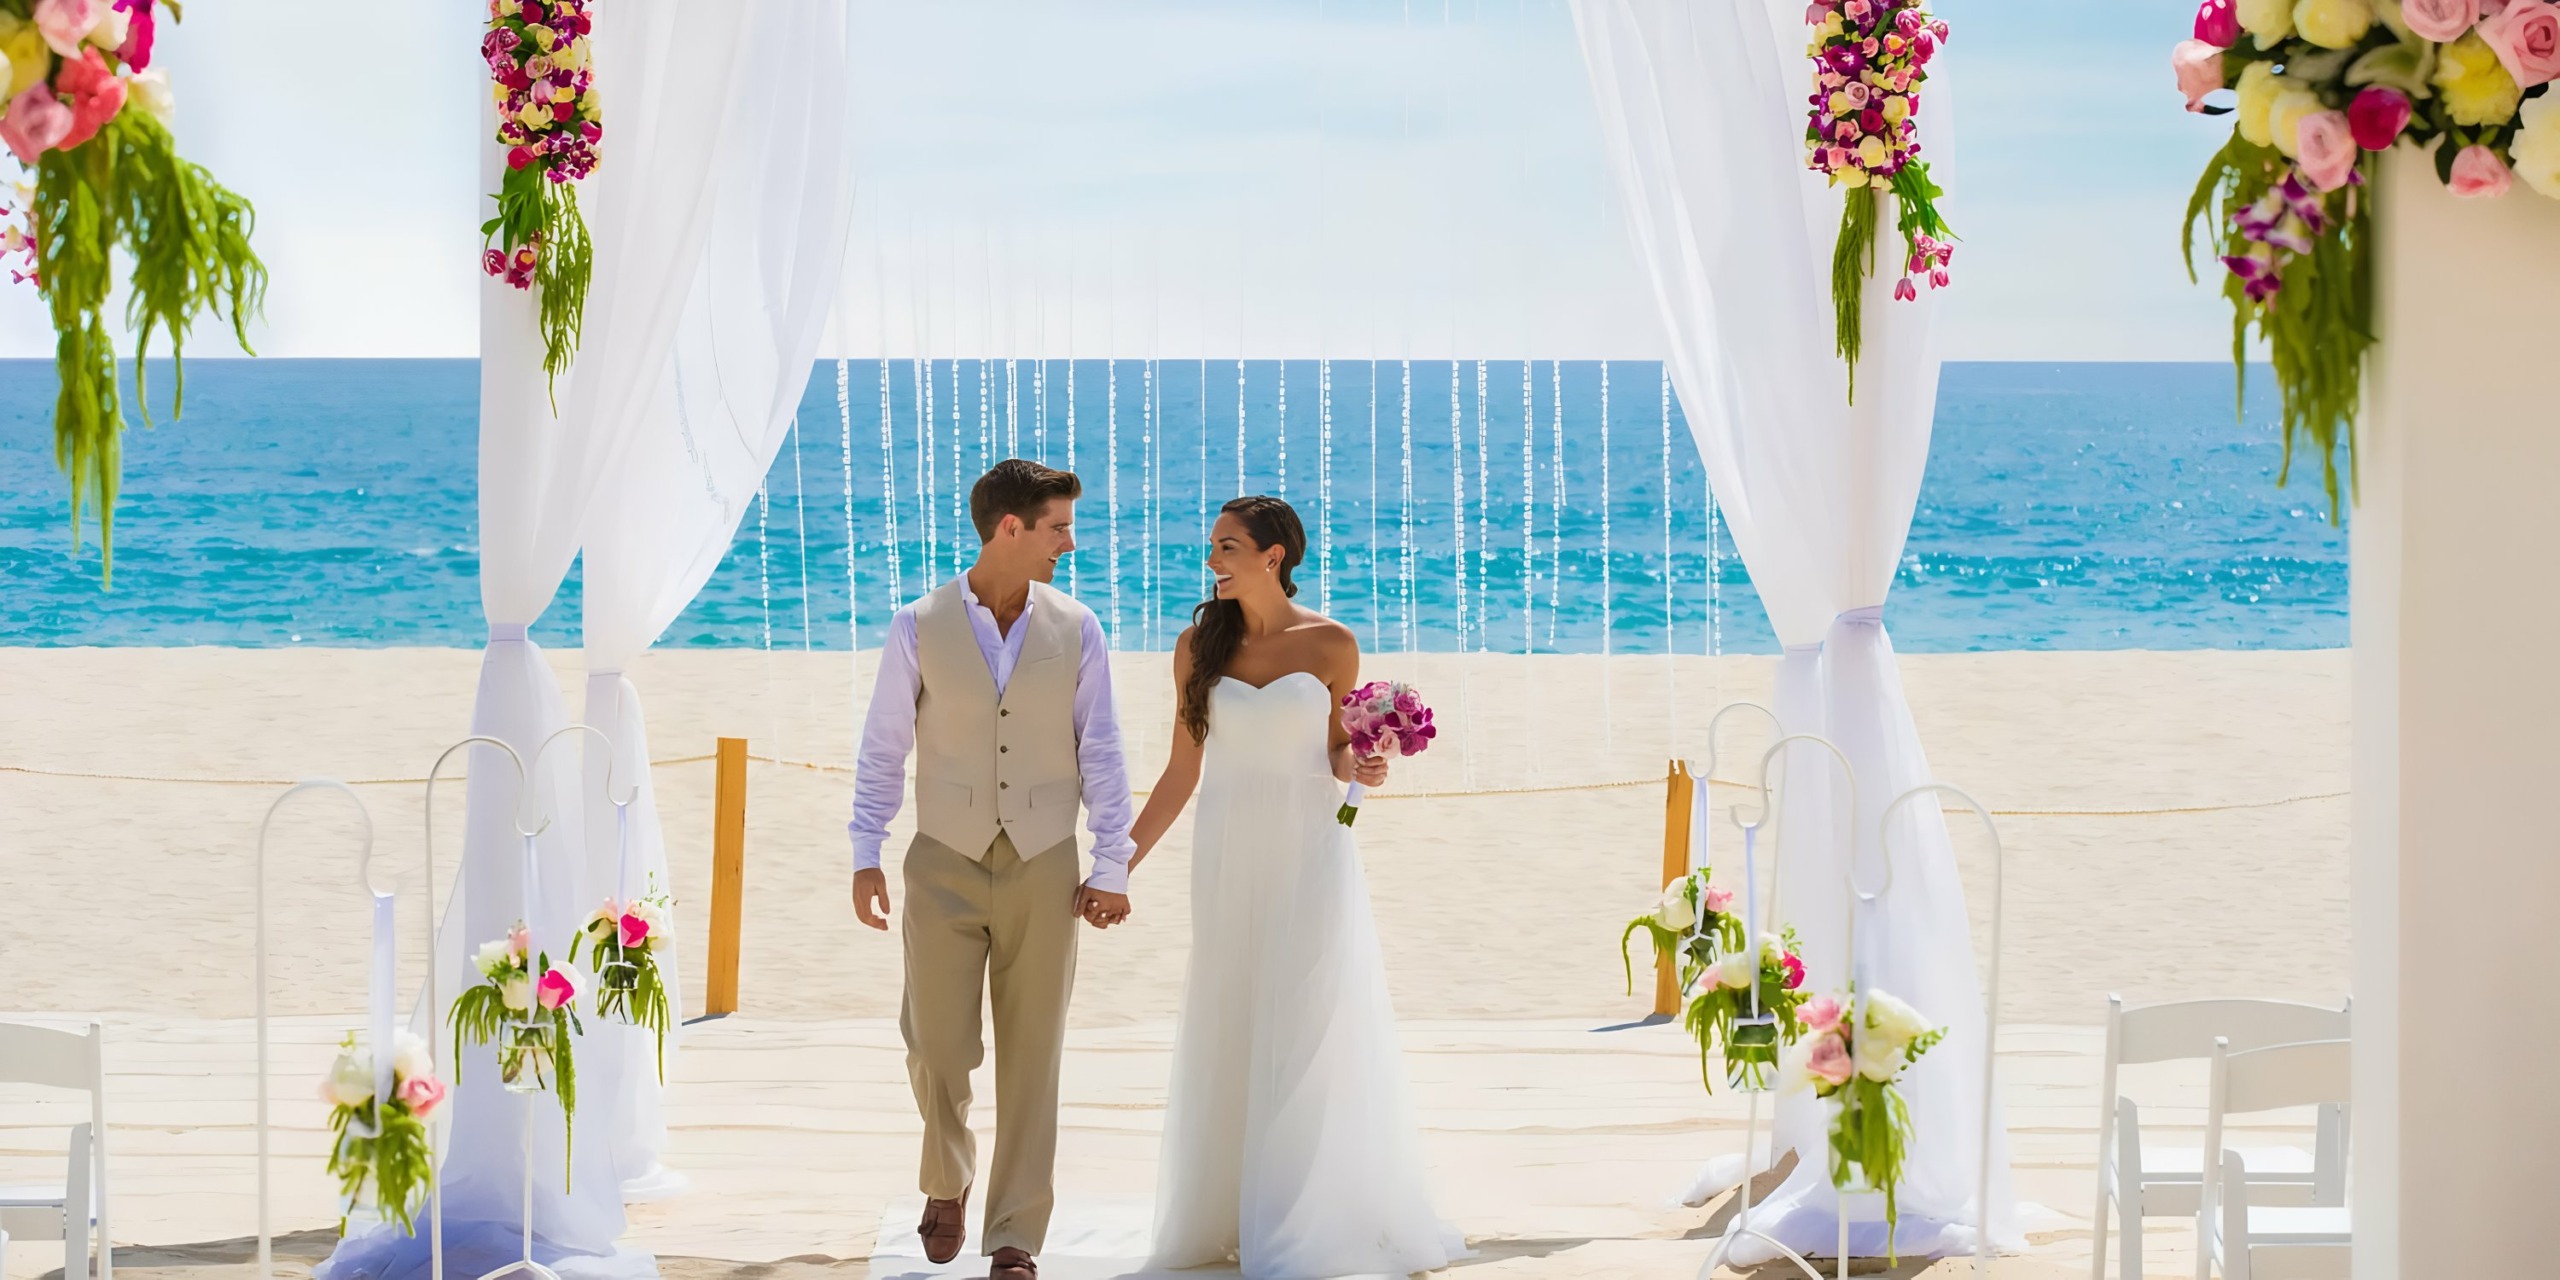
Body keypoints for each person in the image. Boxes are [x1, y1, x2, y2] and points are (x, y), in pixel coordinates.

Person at [1128, 495, 1465, 1279]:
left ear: (1272, 556)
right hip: (1226, 851)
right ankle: (1227, 1209)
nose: (1212, 558)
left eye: (1227, 546)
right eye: (1213, 546)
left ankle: (1297, 1217)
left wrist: (1365, 763)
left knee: (1305, 1016)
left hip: (1310, 848)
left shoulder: (1331, 643)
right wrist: (1117, 862)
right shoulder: (1196, 646)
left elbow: (1336, 753)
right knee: (1232, 1013)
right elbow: (1181, 772)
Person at [847, 459, 1135, 1280]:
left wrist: (1112, 861)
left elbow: (1103, 749)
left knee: (1033, 1055)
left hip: (1045, 863)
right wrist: (866, 851)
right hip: (943, 858)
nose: (1068, 544)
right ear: (1011, 527)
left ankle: (1015, 1234)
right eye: (1058, 528)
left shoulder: (1078, 627)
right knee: (935, 1045)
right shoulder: (917, 624)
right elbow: (883, 746)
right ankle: (947, 1178)